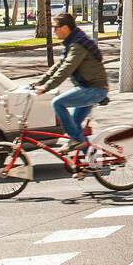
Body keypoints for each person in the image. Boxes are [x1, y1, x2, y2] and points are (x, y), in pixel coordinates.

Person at [33, 13, 110, 177]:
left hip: (94, 89)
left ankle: (78, 141)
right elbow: (59, 66)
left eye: (56, 27)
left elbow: (66, 69)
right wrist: (39, 82)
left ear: (66, 28)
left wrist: (46, 88)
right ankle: (95, 165)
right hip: (88, 88)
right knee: (75, 127)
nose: (54, 31)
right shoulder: (72, 42)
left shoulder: (77, 45)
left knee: (57, 103)